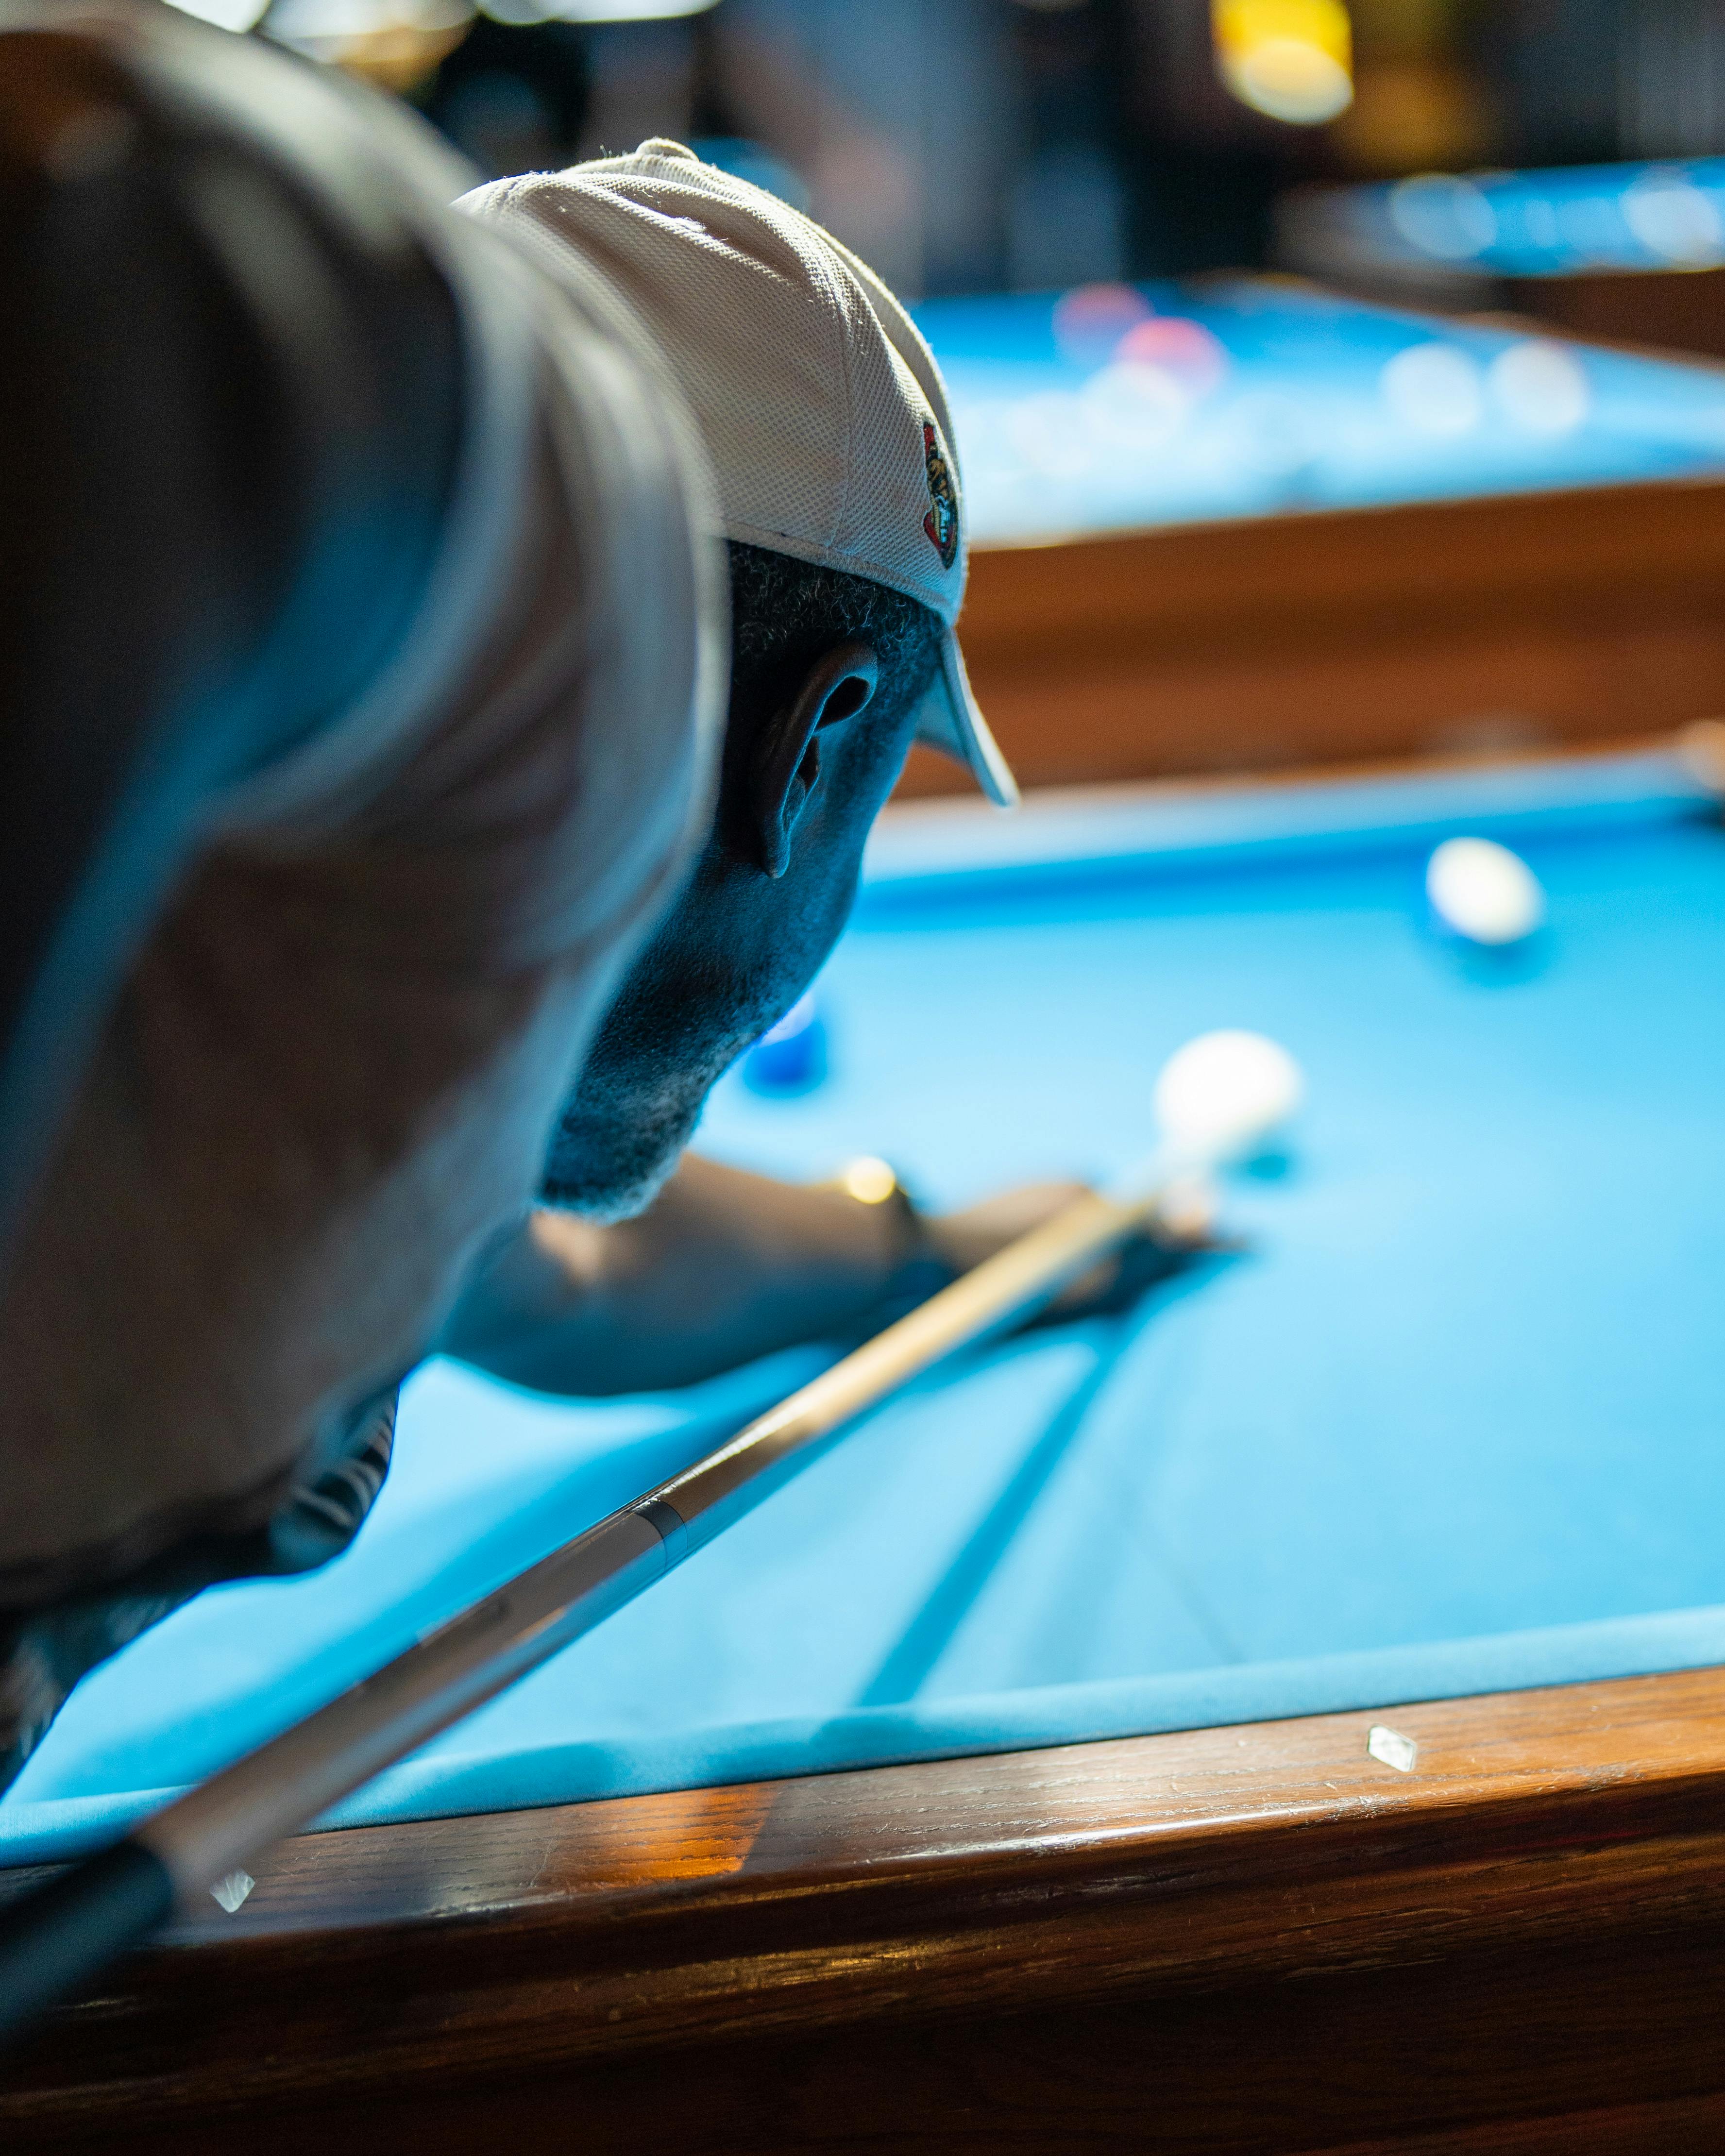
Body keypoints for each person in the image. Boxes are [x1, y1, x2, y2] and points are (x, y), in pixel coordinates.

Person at [0, 9, 1190, 1785]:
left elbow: (569, 1272)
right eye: (887, 791)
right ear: (815, 749)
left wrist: (934, 1251)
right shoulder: (558, 669)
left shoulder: (361, 995)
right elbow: (112, 222)